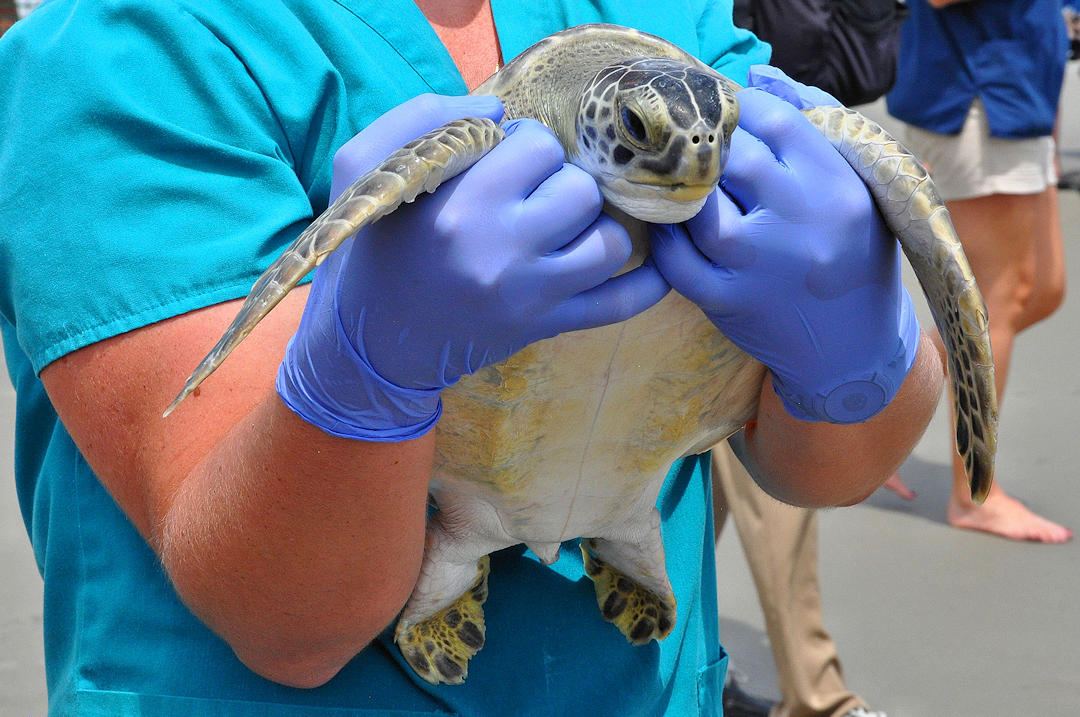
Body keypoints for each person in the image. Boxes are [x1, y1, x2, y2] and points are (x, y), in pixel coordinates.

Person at [0, 0, 944, 713]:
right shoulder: (127, 48)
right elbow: (291, 625)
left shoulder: (657, 15)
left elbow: (837, 466)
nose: (692, 162)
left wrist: (862, 351)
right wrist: (361, 378)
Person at [720, 5, 908, 716]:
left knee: (688, 466)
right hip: (715, 176)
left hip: (796, 157)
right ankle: (818, 697)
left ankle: (667, 638)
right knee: (764, 453)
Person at [885, 0, 1074, 543]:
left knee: (1041, 290)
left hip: (1020, 94)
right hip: (976, 96)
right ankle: (973, 495)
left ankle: (875, 414)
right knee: (998, 302)